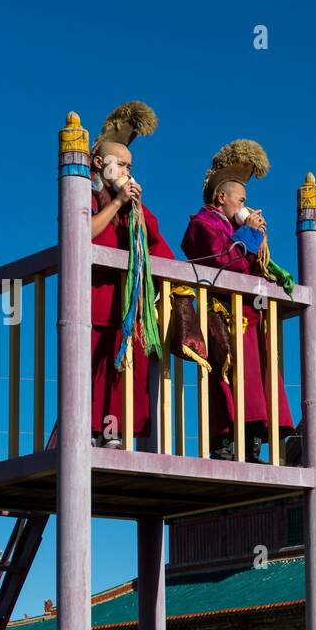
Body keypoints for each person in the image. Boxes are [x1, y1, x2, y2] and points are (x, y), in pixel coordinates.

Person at [181, 139, 295, 462]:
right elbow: (223, 261)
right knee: (226, 377)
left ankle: (251, 443)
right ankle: (224, 444)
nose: (246, 205)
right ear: (222, 197)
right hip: (221, 315)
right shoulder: (202, 224)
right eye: (242, 199)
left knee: (256, 382)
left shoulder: (235, 228)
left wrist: (259, 245)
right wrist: (247, 233)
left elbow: (249, 264)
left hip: (251, 314)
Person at [89, 101, 176, 448]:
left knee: (128, 376)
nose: (127, 170)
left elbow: (160, 249)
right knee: (98, 374)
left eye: (131, 165)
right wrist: (115, 203)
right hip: (95, 307)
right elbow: (80, 234)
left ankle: (120, 436)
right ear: (99, 163)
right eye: (121, 163)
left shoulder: (133, 208)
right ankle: (97, 433)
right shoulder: (87, 194)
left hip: (129, 309)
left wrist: (134, 205)